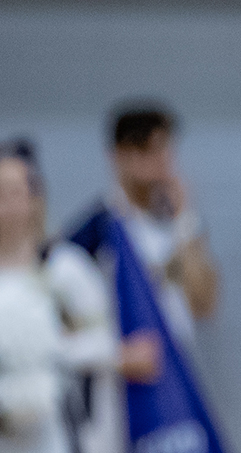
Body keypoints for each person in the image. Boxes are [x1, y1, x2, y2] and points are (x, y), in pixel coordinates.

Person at [66, 104, 225, 453]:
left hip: (172, 385)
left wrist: (185, 221)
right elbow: (61, 332)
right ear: (119, 156)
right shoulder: (93, 235)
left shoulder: (179, 226)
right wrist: (115, 354)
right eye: (147, 152)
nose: (160, 164)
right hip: (114, 401)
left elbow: (205, 304)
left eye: (165, 150)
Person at [0, 140, 120, 453]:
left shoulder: (63, 267)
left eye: (14, 192)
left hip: (55, 434)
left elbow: (105, 339)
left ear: (34, 199)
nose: (5, 205)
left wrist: (54, 353)